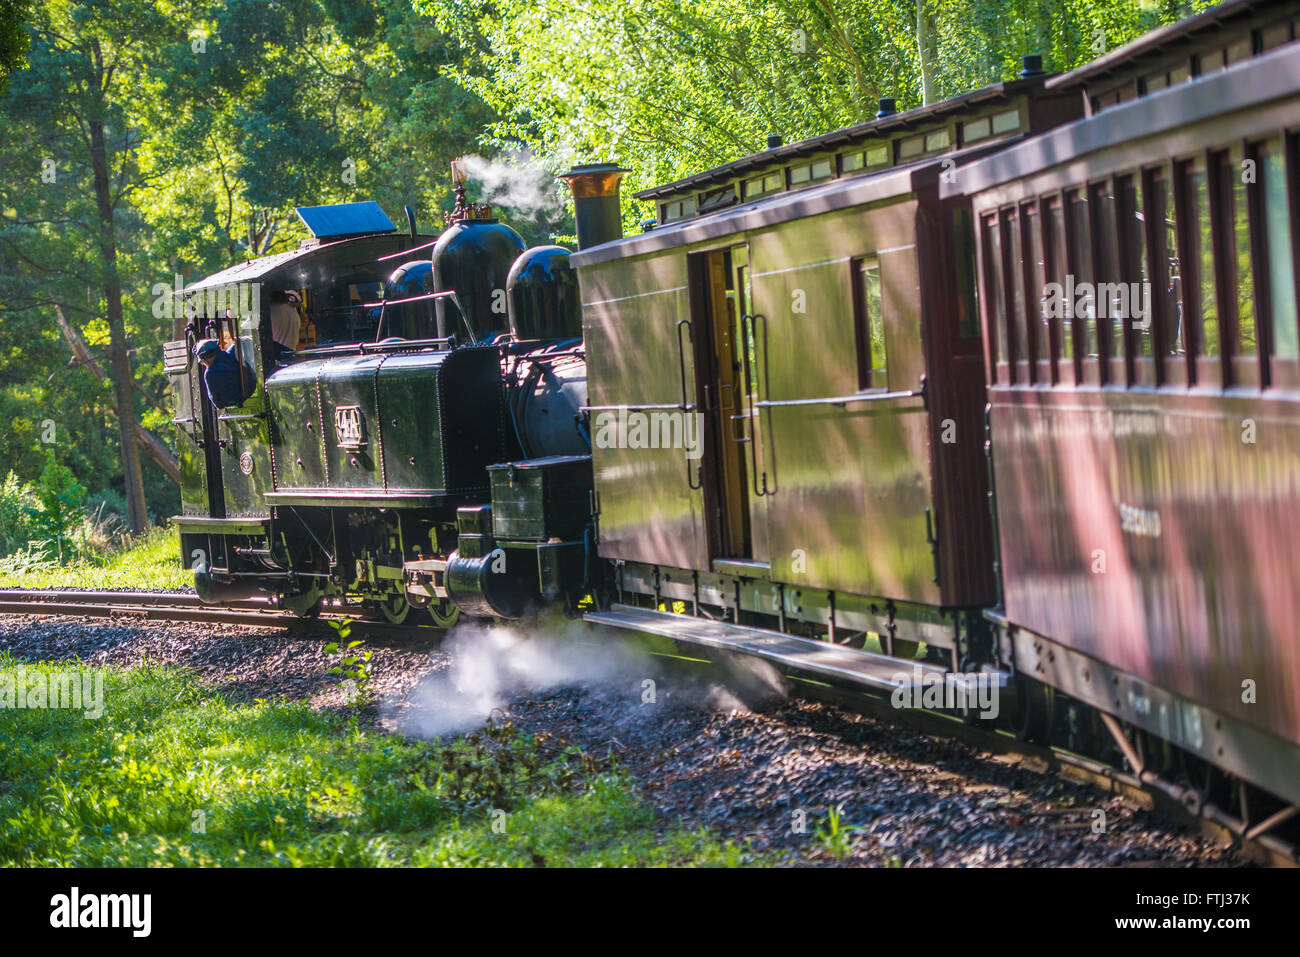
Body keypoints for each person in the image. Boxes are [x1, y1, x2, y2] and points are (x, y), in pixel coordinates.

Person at [195, 338, 247, 408]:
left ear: (206, 360)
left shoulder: (211, 373)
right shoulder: (234, 351)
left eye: (202, 362)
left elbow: (218, 404)